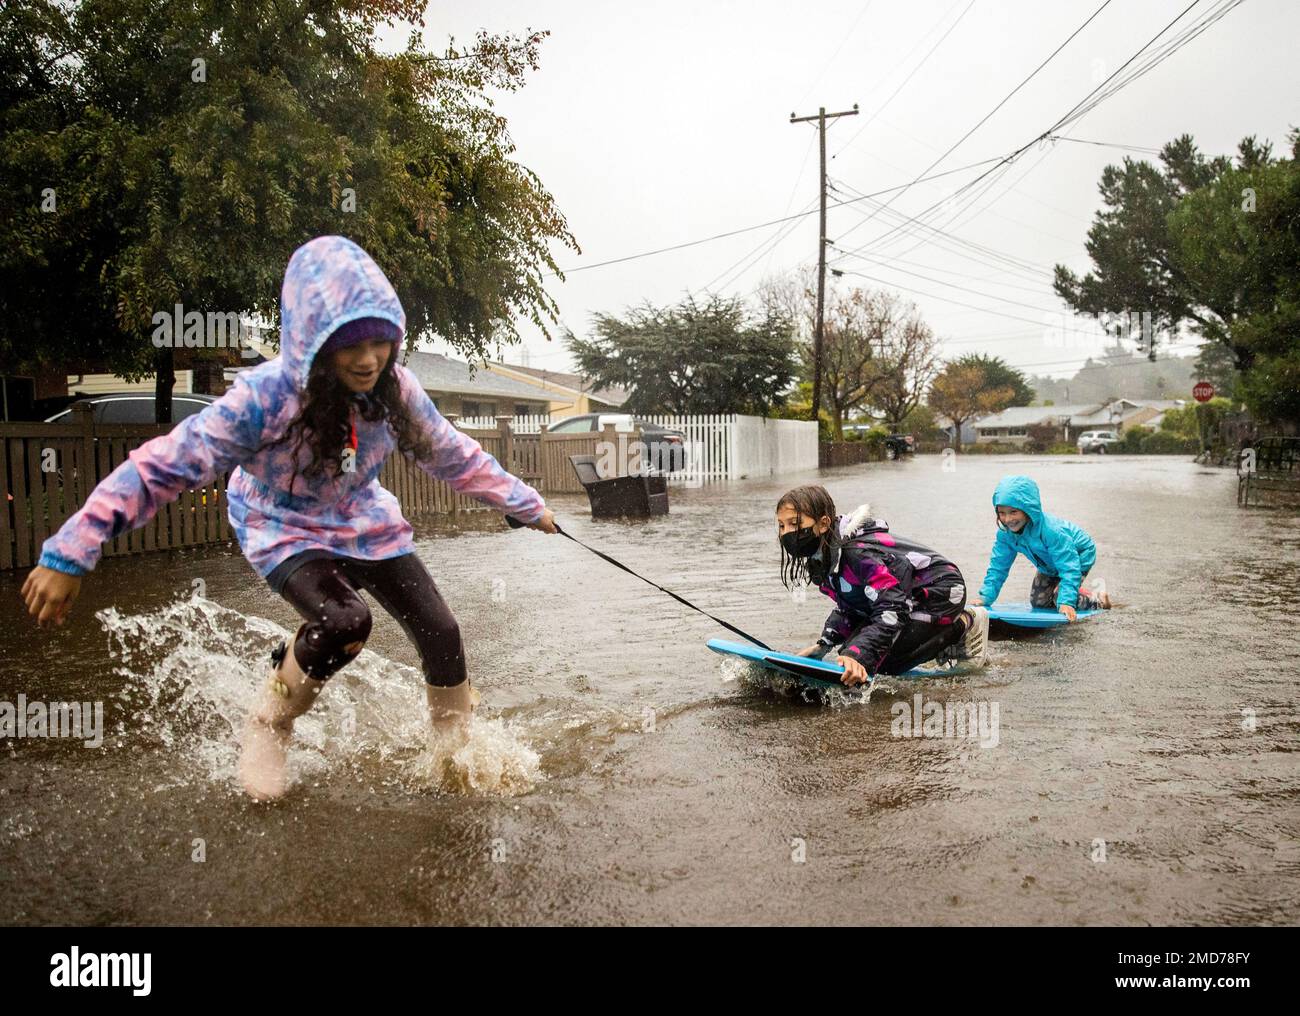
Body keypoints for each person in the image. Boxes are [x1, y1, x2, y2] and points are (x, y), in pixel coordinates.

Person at [21, 235, 557, 800]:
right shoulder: (265, 399)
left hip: (363, 518)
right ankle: (271, 720)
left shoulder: (395, 390)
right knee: (346, 622)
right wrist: (73, 549)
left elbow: (453, 455)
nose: (369, 358)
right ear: (312, 343)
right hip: (281, 525)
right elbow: (162, 466)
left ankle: (454, 754)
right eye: (351, 345)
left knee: (442, 632)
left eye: (381, 341)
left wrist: (528, 505)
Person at [776, 484, 988, 687]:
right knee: (851, 651)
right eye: (782, 526)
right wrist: (824, 644)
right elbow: (851, 607)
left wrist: (859, 655)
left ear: (823, 524)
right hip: (903, 596)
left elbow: (893, 608)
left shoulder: (858, 554)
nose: (786, 533)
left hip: (940, 592)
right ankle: (940, 642)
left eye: (795, 524)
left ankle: (965, 625)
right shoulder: (823, 558)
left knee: (880, 662)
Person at [969, 474, 1111, 621]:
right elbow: (998, 566)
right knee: (1039, 602)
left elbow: (1069, 566)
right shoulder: (1005, 535)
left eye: (1013, 512)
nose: (1008, 519)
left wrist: (1066, 602)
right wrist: (985, 597)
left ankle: (1098, 601)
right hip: (1048, 564)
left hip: (1079, 555)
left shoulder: (1051, 531)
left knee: (1059, 599)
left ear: (1028, 510)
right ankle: (1071, 591)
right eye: (1002, 513)